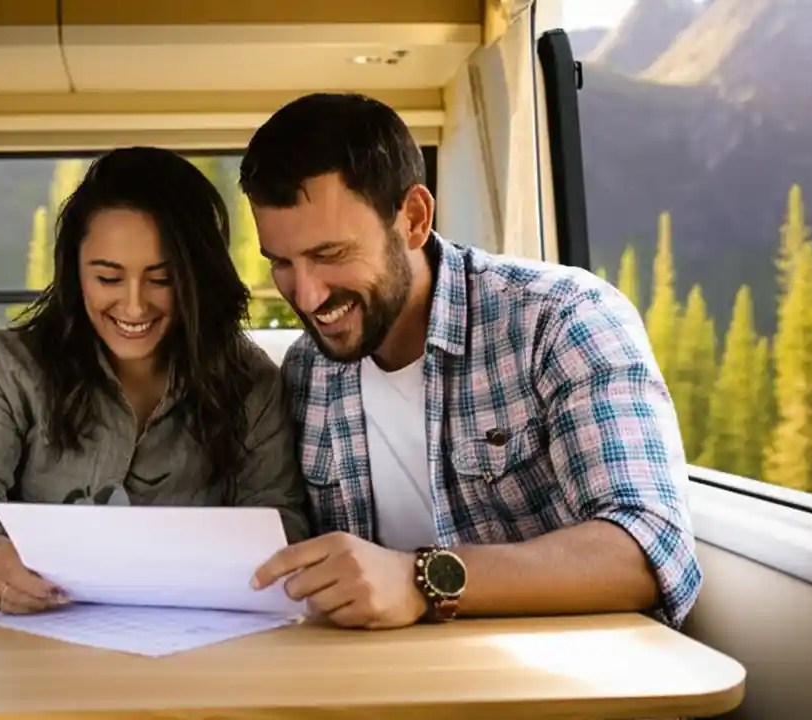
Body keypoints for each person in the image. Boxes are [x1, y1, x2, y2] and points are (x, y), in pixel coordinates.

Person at [240, 93, 701, 630]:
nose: (308, 295)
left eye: (331, 255)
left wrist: (422, 580)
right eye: (282, 263)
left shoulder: (561, 318)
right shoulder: (307, 373)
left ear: (413, 219)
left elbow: (651, 548)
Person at [0, 146, 310, 614]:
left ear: (199, 277)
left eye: (161, 279)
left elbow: (281, 523)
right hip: (33, 640)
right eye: (108, 278)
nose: (134, 307)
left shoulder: (250, 382)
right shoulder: (7, 365)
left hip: (197, 645)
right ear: (75, 273)